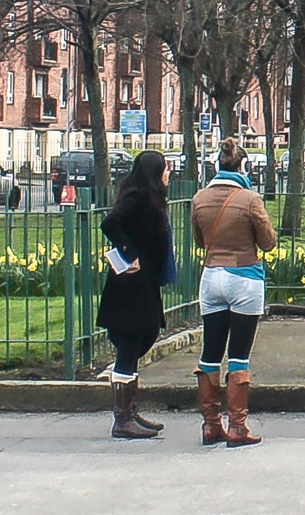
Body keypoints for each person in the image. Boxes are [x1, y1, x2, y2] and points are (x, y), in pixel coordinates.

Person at [192, 137, 277, 447]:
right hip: (244, 279)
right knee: (239, 356)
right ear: (243, 167)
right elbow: (267, 242)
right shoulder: (250, 199)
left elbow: (200, 240)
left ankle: (210, 425)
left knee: (210, 354)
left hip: (211, 277)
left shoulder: (199, 198)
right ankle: (237, 427)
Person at [96, 150, 173, 440]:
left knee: (147, 333)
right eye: (165, 169)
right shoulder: (138, 197)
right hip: (131, 285)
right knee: (131, 341)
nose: (169, 174)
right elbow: (110, 223)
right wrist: (130, 253)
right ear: (154, 172)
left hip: (145, 282)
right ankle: (123, 418)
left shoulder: (149, 197)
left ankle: (131, 410)